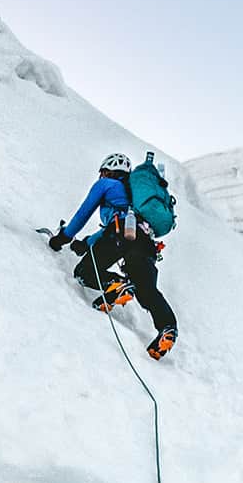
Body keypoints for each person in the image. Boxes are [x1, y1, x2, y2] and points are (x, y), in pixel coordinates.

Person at [48, 153, 178, 360]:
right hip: (145, 242)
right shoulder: (135, 195)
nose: (101, 176)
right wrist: (87, 243)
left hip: (119, 234)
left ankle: (116, 286)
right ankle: (167, 327)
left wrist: (62, 238)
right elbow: (123, 218)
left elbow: (84, 214)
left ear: (107, 170)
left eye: (102, 172)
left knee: (84, 273)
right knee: (146, 290)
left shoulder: (106, 184)